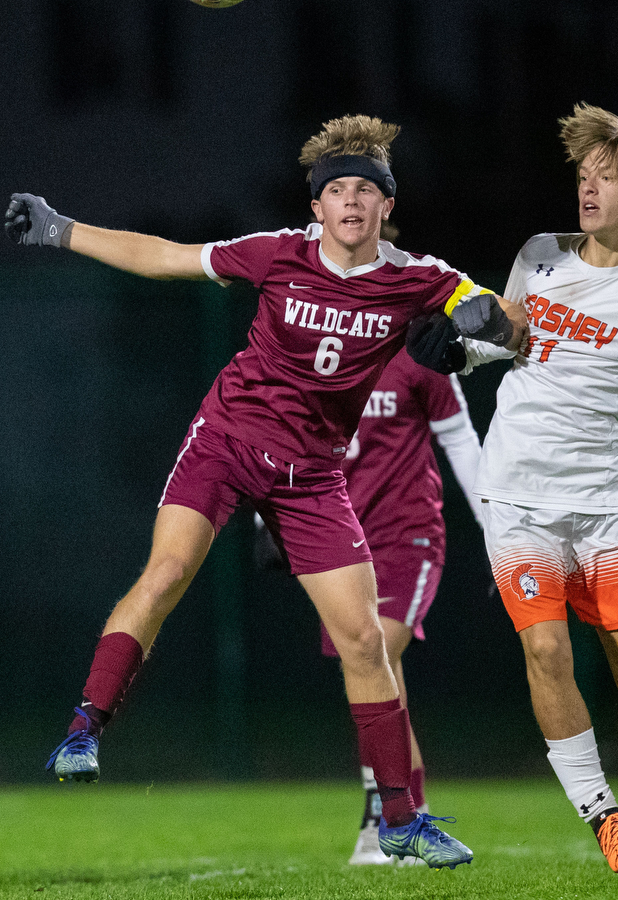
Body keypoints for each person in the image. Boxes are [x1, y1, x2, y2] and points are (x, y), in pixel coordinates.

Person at [4, 114, 527, 869]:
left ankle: (400, 822)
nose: (351, 201)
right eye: (337, 190)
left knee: (364, 642)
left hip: (312, 476)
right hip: (227, 441)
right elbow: (165, 257)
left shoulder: (422, 279)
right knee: (168, 573)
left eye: (366, 190)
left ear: (387, 205)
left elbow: (512, 323)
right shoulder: (279, 253)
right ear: (317, 206)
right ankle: (85, 728)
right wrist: (62, 231)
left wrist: (485, 332)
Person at [407, 103, 618, 885]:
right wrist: (455, 351)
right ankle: (604, 820)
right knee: (546, 649)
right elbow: (510, 341)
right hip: (516, 496)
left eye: (606, 178)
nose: (587, 189)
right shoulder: (541, 255)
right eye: (583, 175)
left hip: (605, 503)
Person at [257, 221, 486, 865]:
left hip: (410, 535)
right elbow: (280, 437)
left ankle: (381, 816)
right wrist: (265, 521)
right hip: (339, 542)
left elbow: (461, 440)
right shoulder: (314, 348)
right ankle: (402, 812)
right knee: (376, 674)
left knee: (376, 650)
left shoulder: (418, 348)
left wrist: (500, 532)